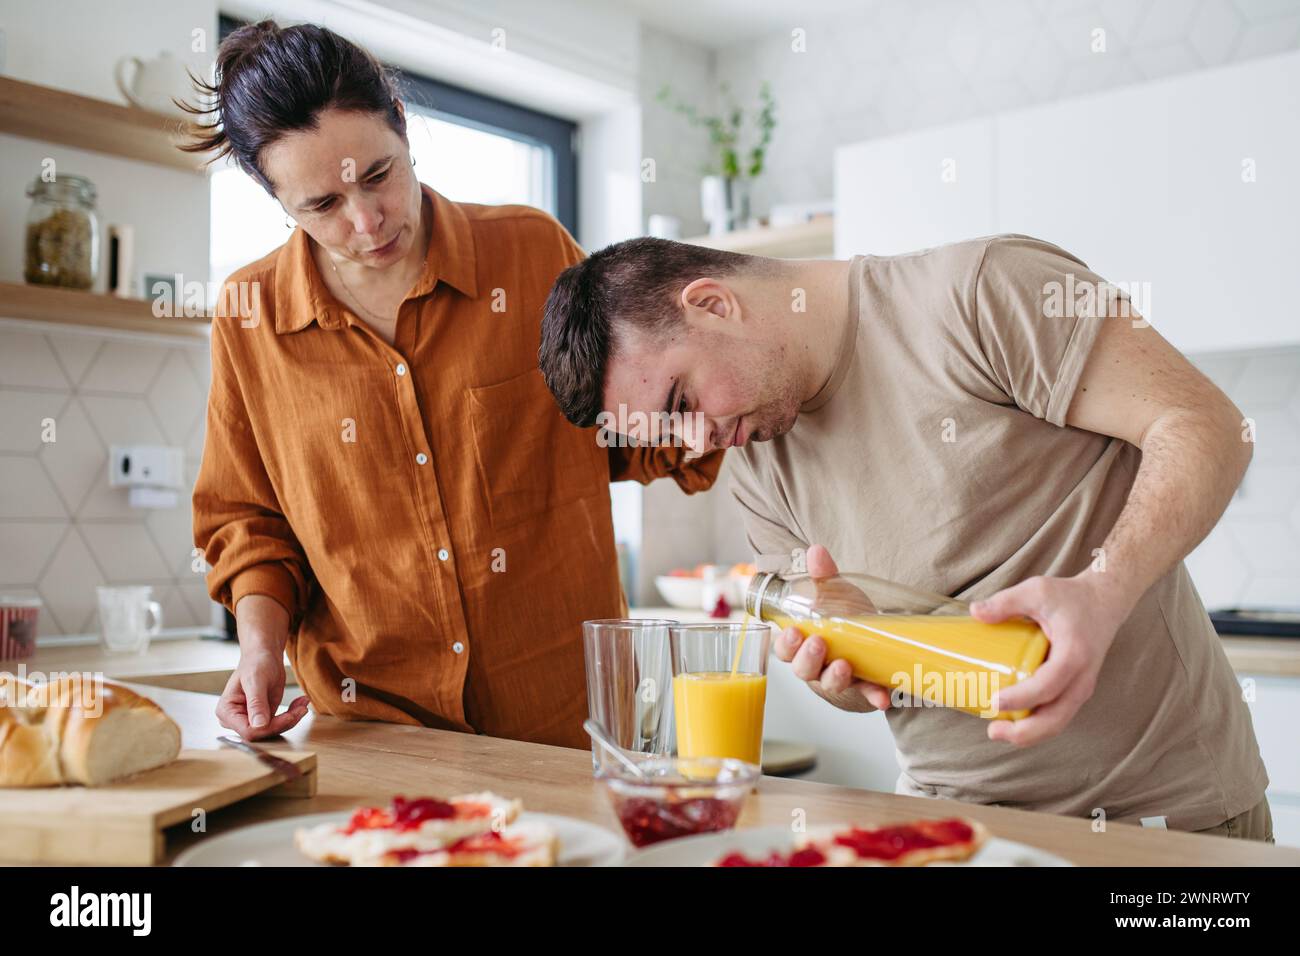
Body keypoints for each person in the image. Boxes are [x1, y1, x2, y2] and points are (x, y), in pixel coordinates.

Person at [538, 233, 1273, 841]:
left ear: (711, 302)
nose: (698, 440)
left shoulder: (978, 293)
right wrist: (846, 670)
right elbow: (871, 690)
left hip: (1169, 821)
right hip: (950, 830)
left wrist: (1104, 591)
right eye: (672, 431)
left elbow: (1205, 427)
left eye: (683, 400)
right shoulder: (756, 462)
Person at [183, 21, 721, 749]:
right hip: (374, 733)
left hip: (565, 725)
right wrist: (260, 650)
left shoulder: (533, 254)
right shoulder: (250, 318)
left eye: (378, 175)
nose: (367, 221)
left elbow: (625, 428)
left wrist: (706, 404)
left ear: (402, 126)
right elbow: (249, 524)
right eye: (323, 206)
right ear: (270, 193)